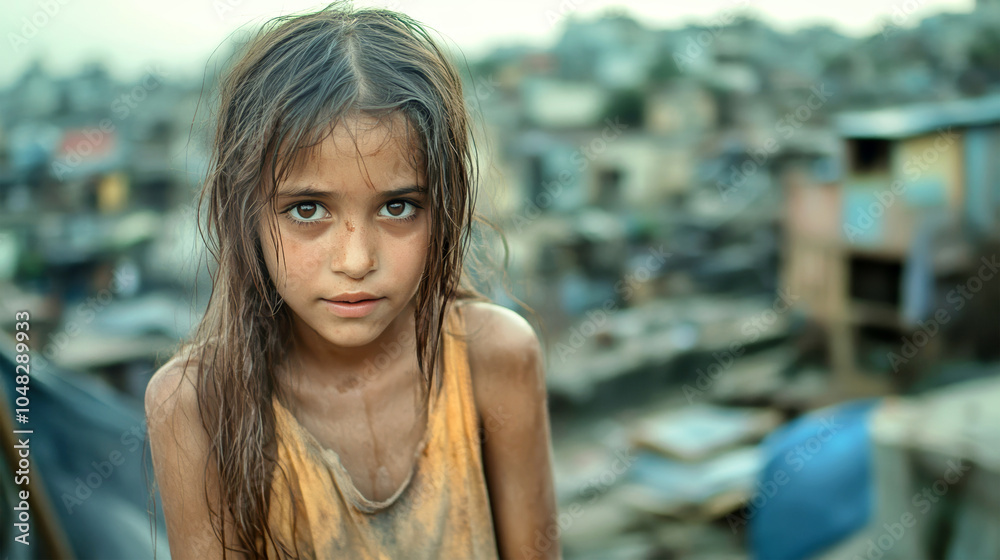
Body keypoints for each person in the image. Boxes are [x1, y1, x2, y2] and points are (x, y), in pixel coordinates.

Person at [143, 3, 560, 559]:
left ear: (444, 207)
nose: (357, 260)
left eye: (397, 206)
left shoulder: (494, 356)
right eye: (308, 210)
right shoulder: (196, 406)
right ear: (245, 215)